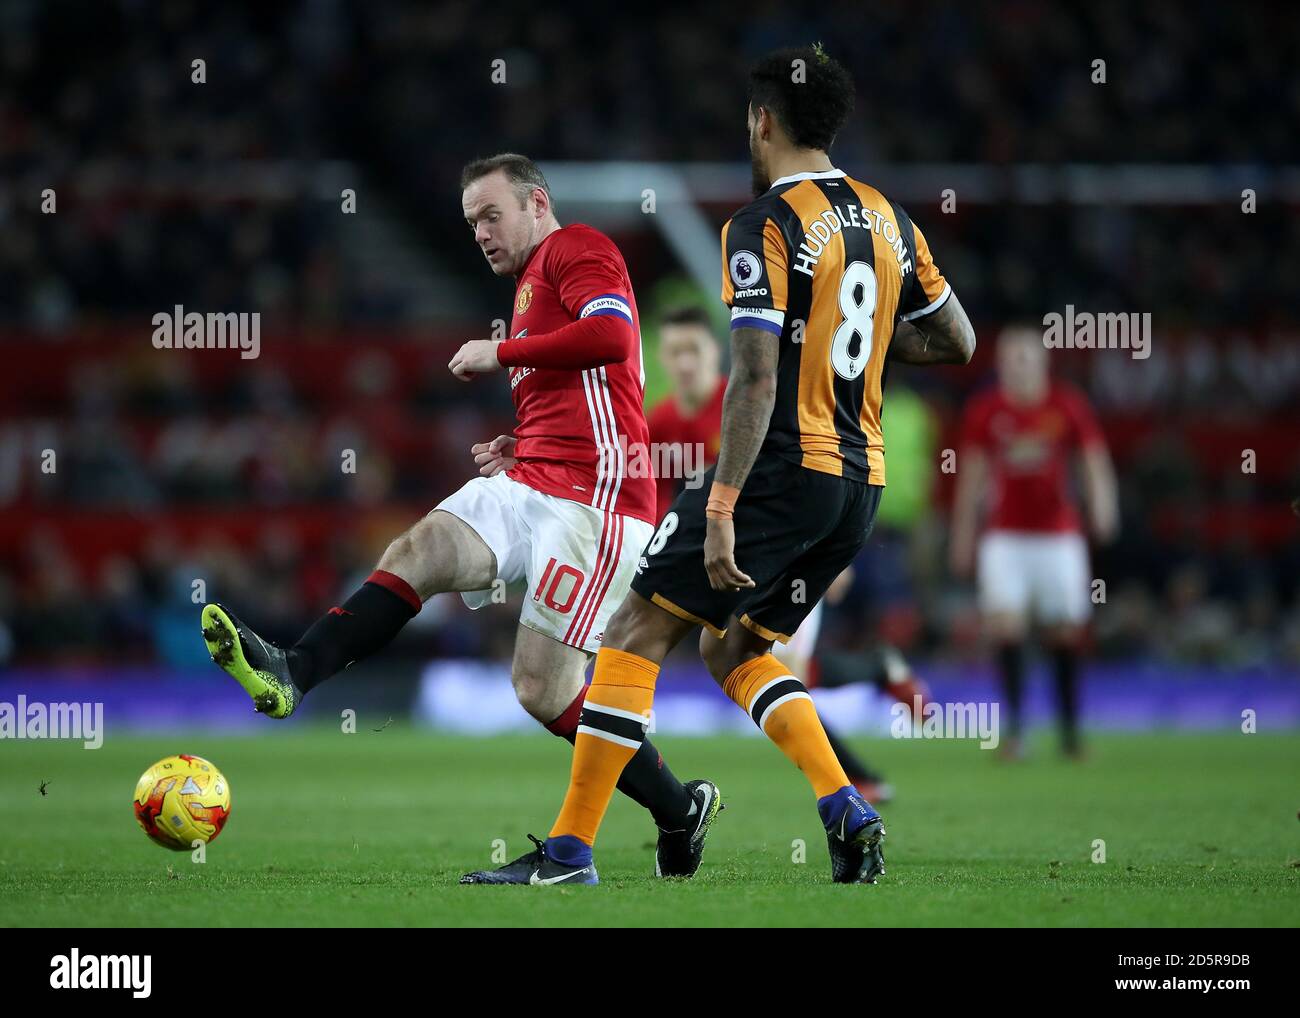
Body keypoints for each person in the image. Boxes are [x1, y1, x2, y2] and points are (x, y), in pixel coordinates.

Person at [200, 153, 721, 883]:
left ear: (537, 204)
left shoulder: (580, 249)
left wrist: (499, 350)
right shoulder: (532, 285)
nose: (479, 232)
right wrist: (523, 440)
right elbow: (585, 395)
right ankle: (295, 670)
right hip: (532, 479)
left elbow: (615, 340)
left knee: (542, 689)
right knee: (419, 548)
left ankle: (671, 808)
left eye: (490, 213)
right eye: (471, 220)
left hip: (598, 503)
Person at [529, 45, 975, 886]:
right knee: (734, 649)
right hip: (859, 486)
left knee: (632, 632)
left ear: (762, 121)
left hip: (780, 469)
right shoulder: (891, 219)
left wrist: (724, 500)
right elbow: (958, 340)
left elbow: (757, 376)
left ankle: (567, 855)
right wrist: (868, 358)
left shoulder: (763, 223)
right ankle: (846, 807)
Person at [648, 306, 932, 801]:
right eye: (675, 353)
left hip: (784, 555)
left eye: (694, 350)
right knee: (777, 672)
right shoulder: (664, 421)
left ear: (717, 354)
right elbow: (657, 495)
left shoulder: (746, 405)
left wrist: (824, 560)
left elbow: (799, 484)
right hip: (732, 563)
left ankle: (855, 771)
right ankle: (877, 681)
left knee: (775, 670)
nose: (685, 363)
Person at [950, 326, 1117, 758]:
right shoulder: (986, 411)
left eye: (1026, 358)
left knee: (1064, 631)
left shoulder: (1067, 406)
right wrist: (963, 535)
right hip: (1004, 538)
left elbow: (1092, 461)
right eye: (1010, 359)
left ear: (1042, 363)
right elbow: (971, 477)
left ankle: (1069, 733)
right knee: (1005, 625)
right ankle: (1017, 730)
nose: (1018, 367)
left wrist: (1102, 506)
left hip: (1059, 537)